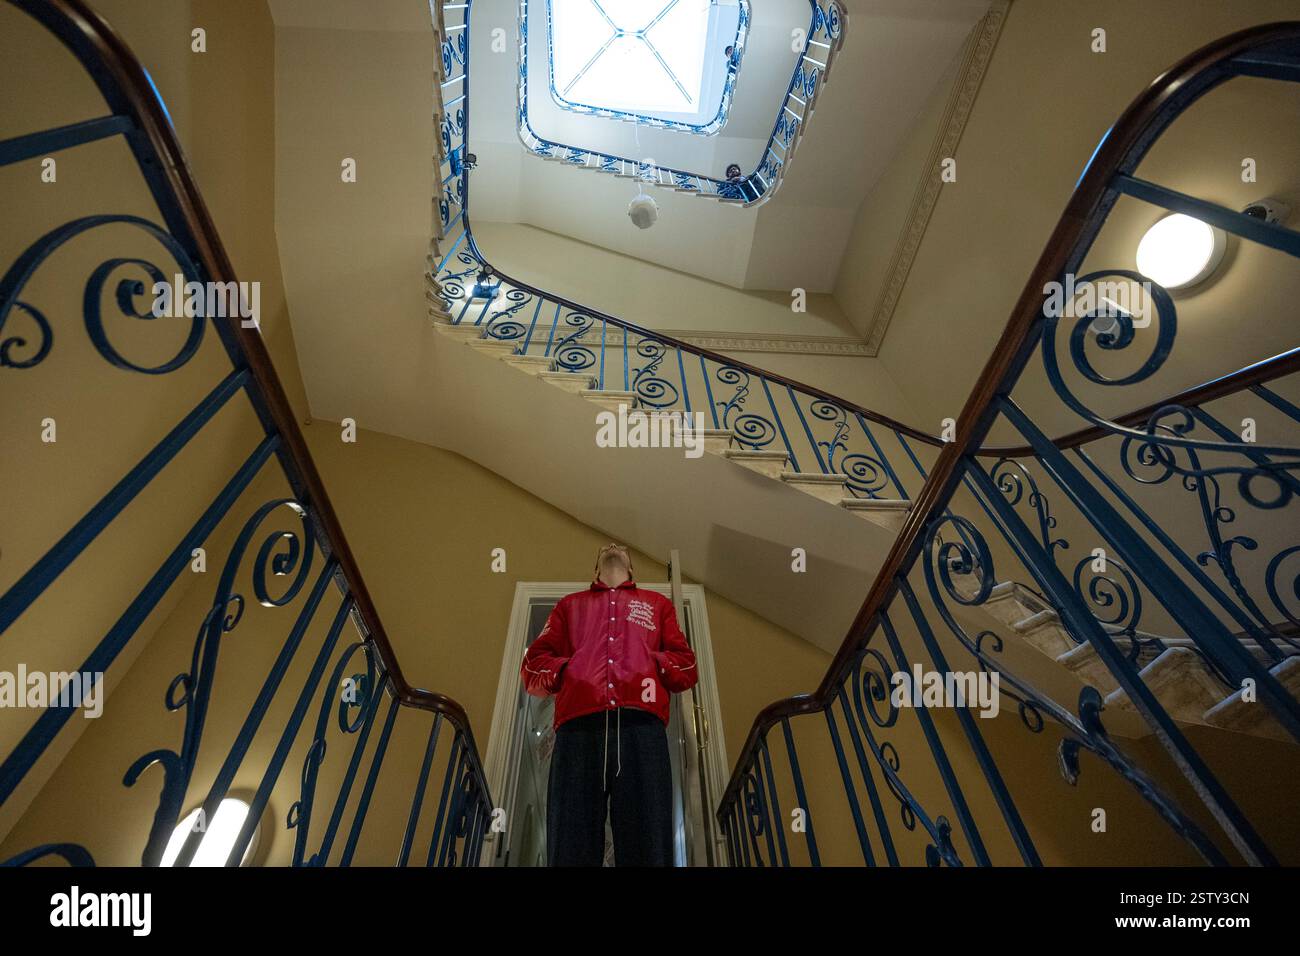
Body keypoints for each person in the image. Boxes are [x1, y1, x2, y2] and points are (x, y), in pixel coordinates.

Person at [520, 544, 698, 866]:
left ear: (632, 569)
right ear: (595, 569)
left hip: (642, 730)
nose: (613, 546)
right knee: (570, 835)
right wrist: (569, 670)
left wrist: (648, 662)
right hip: (578, 732)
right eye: (605, 548)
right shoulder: (569, 606)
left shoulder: (657, 606)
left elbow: (686, 667)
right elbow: (532, 669)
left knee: (648, 837)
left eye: (621, 548)